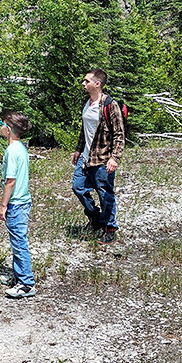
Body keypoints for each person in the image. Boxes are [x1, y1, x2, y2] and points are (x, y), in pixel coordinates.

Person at [71, 69, 125, 245]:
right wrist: (79, 149)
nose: (83, 84)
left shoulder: (110, 105)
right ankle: (95, 218)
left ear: (97, 83)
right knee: (78, 187)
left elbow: (119, 134)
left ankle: (109, 227)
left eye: (86, 81)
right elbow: (84, 130)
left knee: (105, 194)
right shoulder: (87, 103)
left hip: (103, 158)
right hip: (86, 158)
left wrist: (114, 158)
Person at [0, 112, 36, 298]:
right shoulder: (20, 147)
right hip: (23, 202)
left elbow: (10, 181)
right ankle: (18, 275)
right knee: (16, 242)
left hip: (16, 204)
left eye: (2, 123)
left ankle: (26, 283)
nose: (0, 126)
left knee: (19, 243)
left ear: (9, 129)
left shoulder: (12, 150)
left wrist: (4, 205)